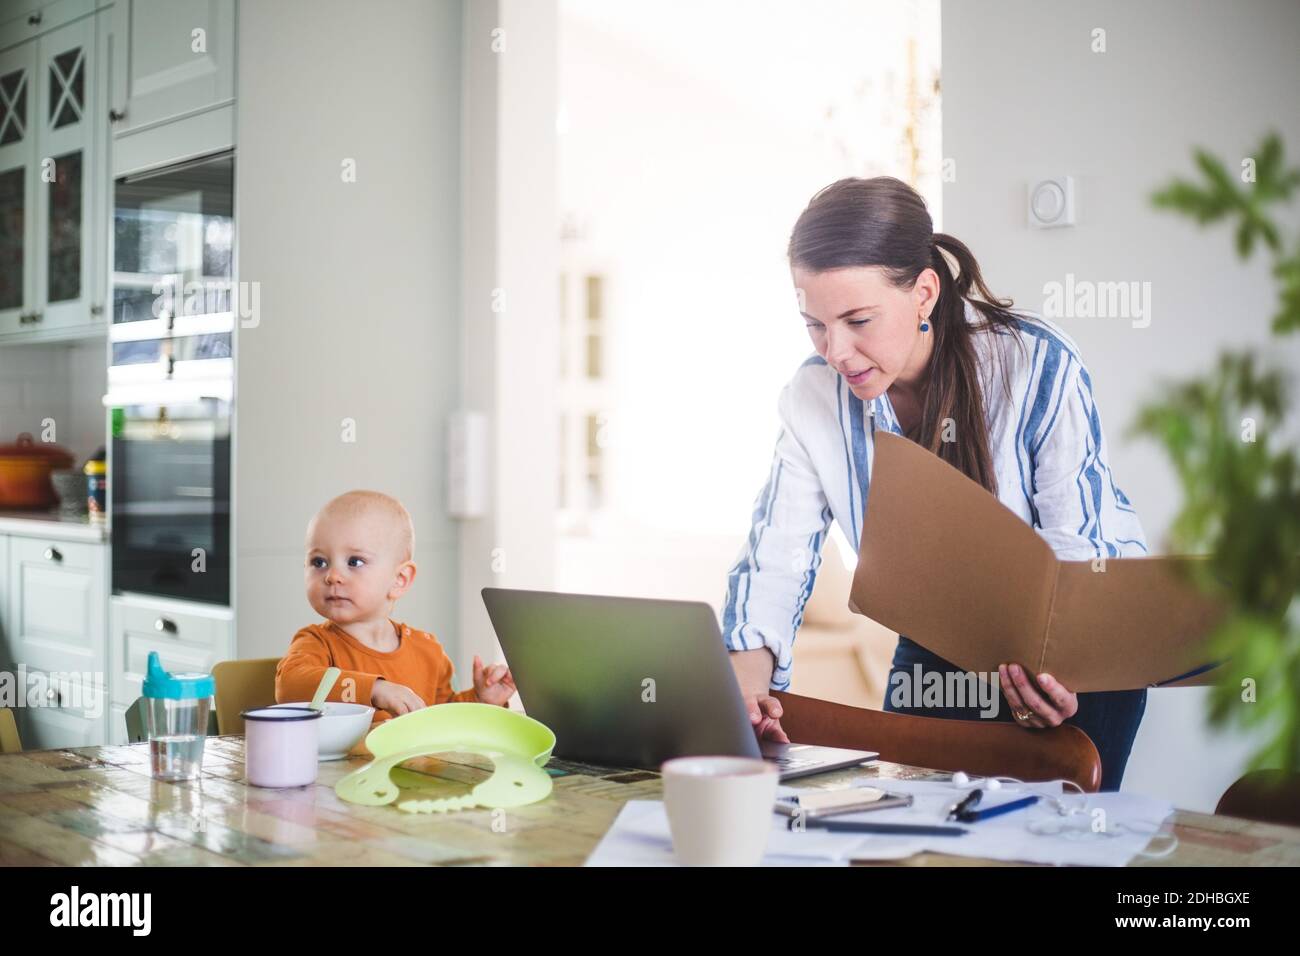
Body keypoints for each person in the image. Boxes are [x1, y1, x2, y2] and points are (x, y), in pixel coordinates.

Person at [723, 176, 1149, 791]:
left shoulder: (1035, 365)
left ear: (923, 293)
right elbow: (776, 558)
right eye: (814, 324)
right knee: (906, 831)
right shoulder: (812, 395)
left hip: (1079, 651)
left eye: (857, 320)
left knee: (1046, 850)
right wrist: (745, 679)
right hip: (938, 646)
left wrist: (1058, 672)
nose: (836, 350)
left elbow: (1076, 554)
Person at [277, 490, 515, 721]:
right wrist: (374, 690)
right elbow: (289, 687)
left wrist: (481, 700)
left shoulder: (428, 651)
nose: (332, 575)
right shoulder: (315, 643)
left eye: (354, 561)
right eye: (319, 562)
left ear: (399, 580)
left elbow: (443, 719)